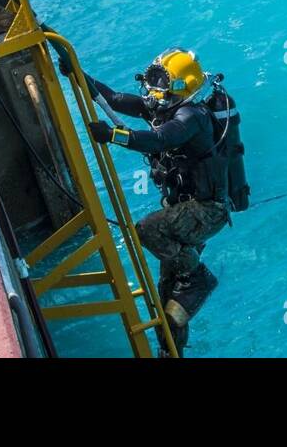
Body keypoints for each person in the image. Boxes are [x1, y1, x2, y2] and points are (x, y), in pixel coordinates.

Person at [70, 48, 246, 356]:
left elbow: (161, 139)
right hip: (183, 211)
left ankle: (197, 277)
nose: (152, 90)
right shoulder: (162, 108)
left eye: (160, 82)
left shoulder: (191, 116)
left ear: (179, 87)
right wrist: (77, 73)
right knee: (169, 300)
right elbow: (113, 98)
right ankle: (170, 352)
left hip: (207, 211)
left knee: (147, 230)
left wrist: (114, 136)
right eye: (151, 80)